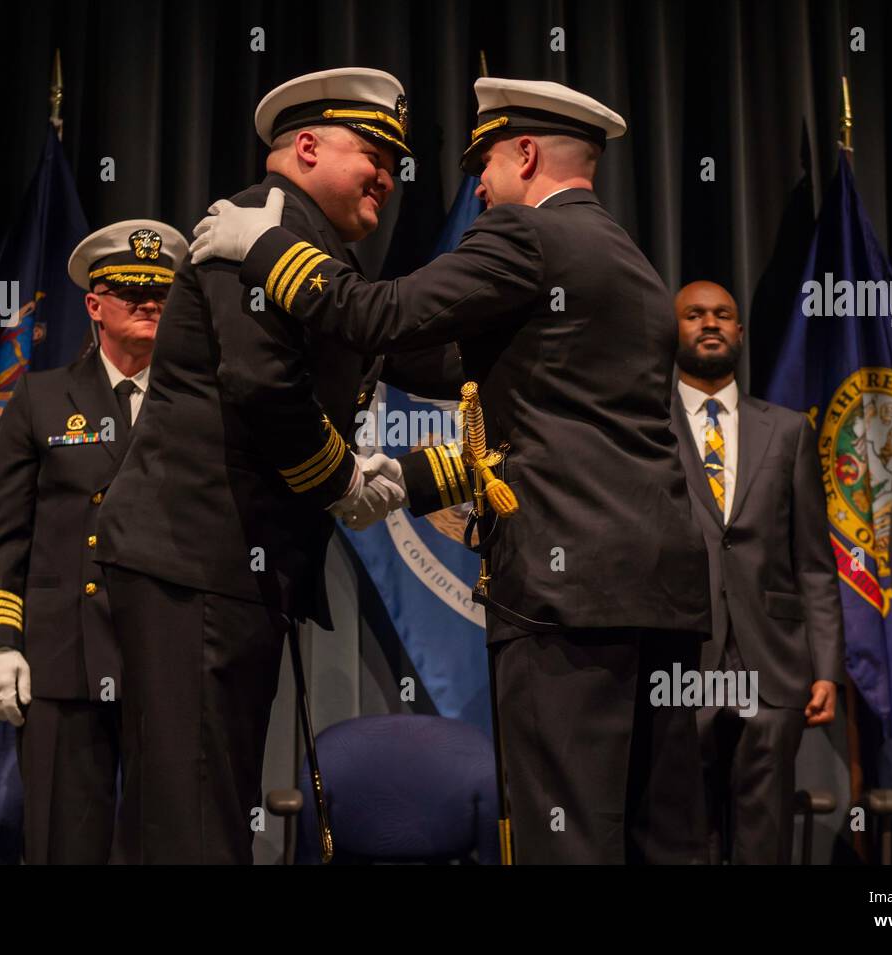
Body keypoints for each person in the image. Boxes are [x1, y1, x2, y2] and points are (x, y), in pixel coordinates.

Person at [191, 77, 712, 864]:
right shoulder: (631, 262)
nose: (479, 187)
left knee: (563, 834)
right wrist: (400, 472)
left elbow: (382, 313)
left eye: (488, 165)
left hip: (565, 595)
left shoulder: (526, 238)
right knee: (659, 832)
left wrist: (262, 249)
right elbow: (507, 387)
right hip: (661, 591)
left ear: (527, 154)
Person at [94, 68, 461, 863]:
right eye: (374, 154)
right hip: (193, 560)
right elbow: (262, 383)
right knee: (193, 813)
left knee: (193, 800)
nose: (389, 179)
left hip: (226, 568)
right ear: (305, 146)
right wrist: (343, 485)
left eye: (395, 163)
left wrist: (515, 365)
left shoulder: (317, 250)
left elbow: (389, 338)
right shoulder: (261, 224)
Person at [0, 219, 186, 863]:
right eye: (130, 292)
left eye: (162, 293)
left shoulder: (199, 402)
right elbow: (3, 536)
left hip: (164, 658)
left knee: (168, 846)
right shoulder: (40, 400)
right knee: (65, 844)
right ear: (94, 305)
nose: (150, 304)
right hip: (64, 658)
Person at [669, 280, 843, 863]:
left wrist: (827, 668)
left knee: (764, 836)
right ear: (675, 330)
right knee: (684, 833)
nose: (710, 324)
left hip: (771, 662)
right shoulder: (643, 428)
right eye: (694, 315)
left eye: (722, 315)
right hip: (681, 660)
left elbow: (815, 563)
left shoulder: (788, 430)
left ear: (740, 332)